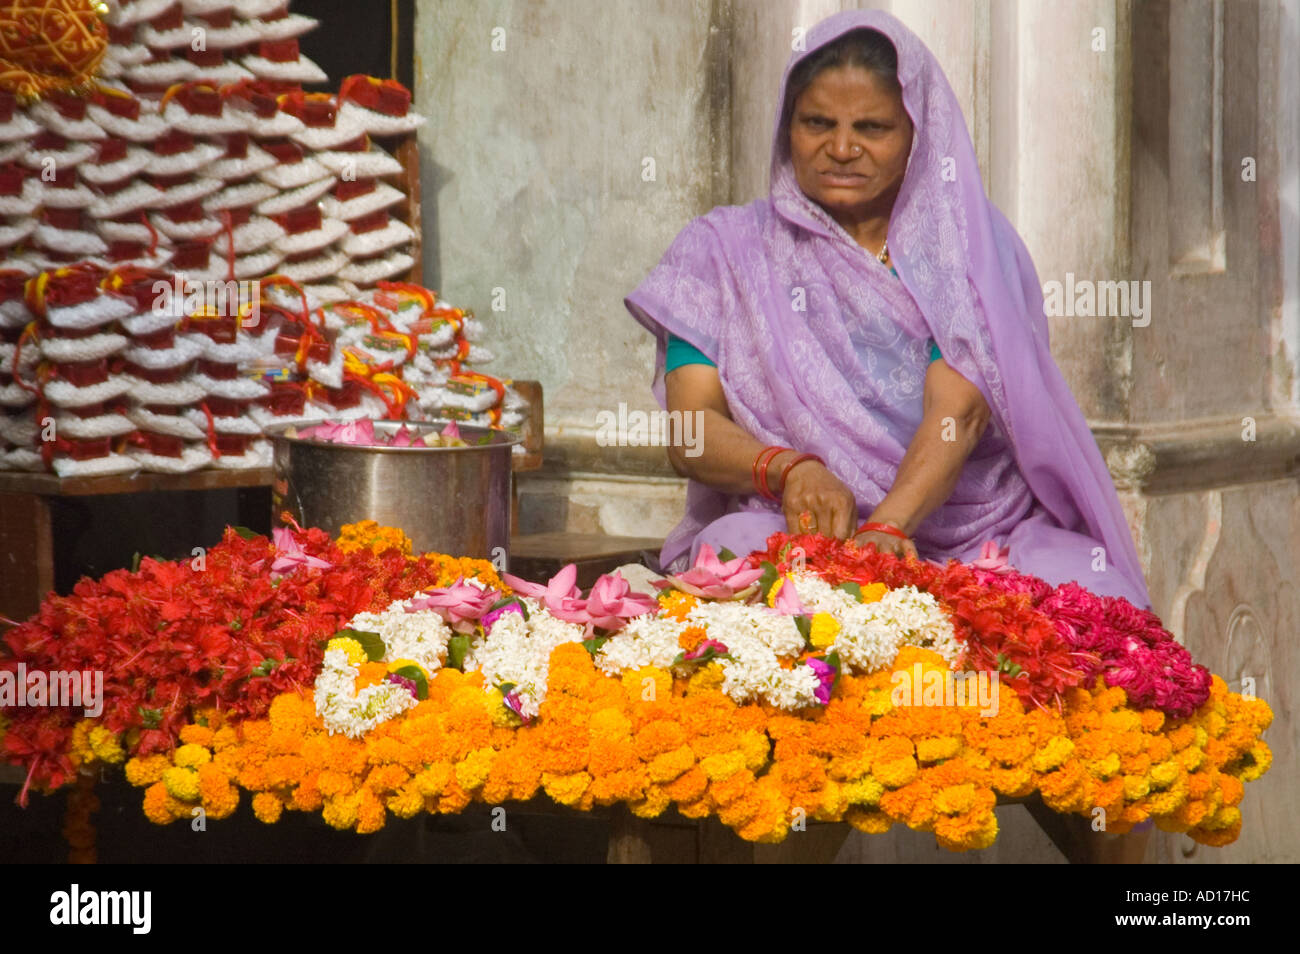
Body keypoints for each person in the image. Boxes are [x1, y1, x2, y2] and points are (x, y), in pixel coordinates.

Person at [623, 9, 1152, 610]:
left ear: (916, 137)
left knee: (1087, 598)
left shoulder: (966, 249)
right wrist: (790, 470)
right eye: (816, 122)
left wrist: (887, 530)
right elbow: (691, 430)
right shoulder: (723, 251)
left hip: (976, 528)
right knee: (747, 568)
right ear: (785, 128)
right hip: (800, 522)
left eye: (871, 128)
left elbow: (961, 412)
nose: (841, 148)